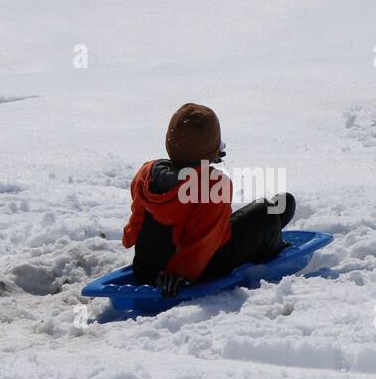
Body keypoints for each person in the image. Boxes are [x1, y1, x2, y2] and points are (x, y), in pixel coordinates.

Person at [123, 103, 296, 297]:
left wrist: (130, 236)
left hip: (145, 268)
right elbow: (203, 237)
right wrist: (177, 274)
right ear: (211, 150)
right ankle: (271, 243)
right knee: (271, 209)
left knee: (280, 205)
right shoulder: (214, 184)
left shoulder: (146, 172)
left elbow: (138, 218)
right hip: (192, 271)